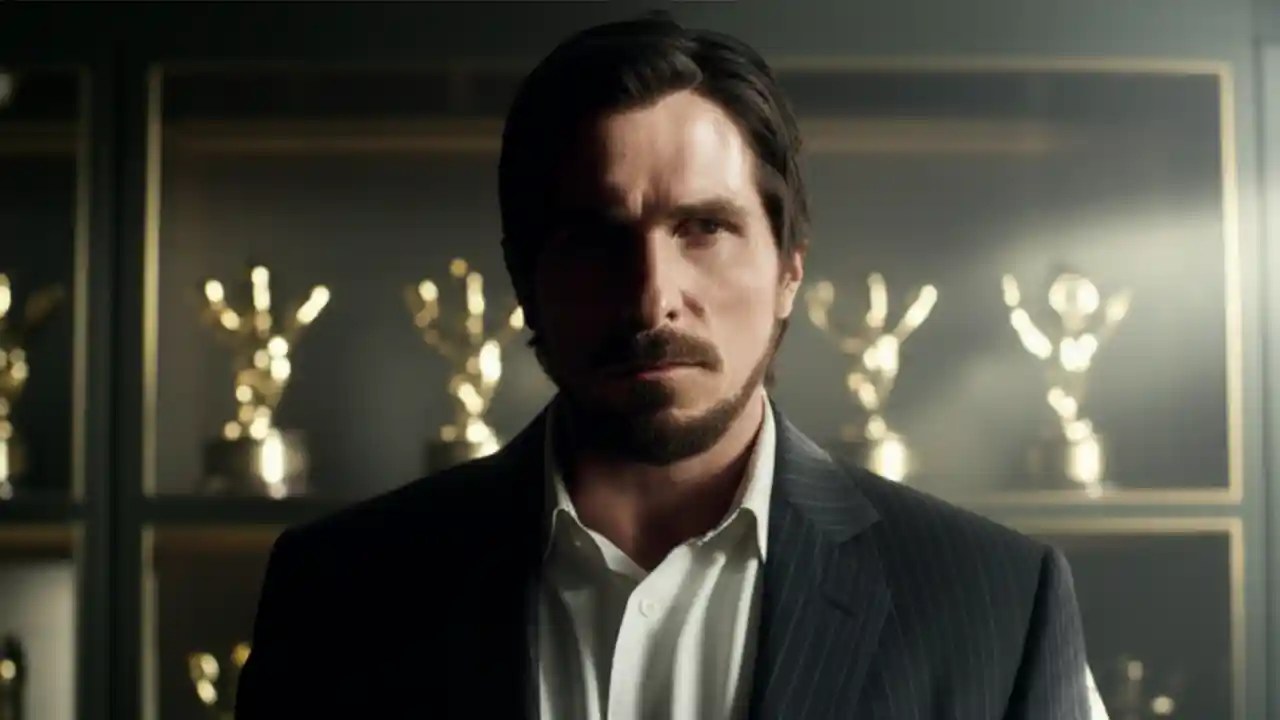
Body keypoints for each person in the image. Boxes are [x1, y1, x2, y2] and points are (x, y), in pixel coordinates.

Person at [236, 13, 1101, 720]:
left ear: (790, 269)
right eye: (596, 241)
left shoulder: (996, 604)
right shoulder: (339, 595)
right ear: (524, 283)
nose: (653, 299)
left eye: (705, 229)